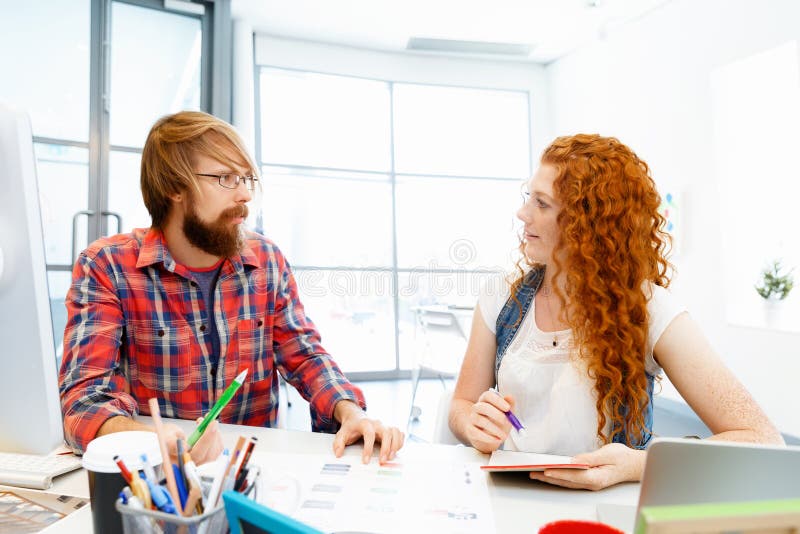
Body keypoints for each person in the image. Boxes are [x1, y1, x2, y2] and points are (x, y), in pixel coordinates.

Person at [59, 111, 404, 465]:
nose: (244, 194)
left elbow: (305, 356)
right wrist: (152, 442)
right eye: (225, 177)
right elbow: (84, 400)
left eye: (246, 178)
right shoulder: (107, 265)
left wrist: (351, 413)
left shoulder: (266, 259)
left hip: (251, 471)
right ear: (173, 187)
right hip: (163, 477)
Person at [449, 133, 783, 490]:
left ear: (586, 225)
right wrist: (473, 424)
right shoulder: (501, 297)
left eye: (542, 204)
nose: (522, 213)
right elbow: (462, 404)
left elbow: (762, 440)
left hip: (606, 514)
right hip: (510, 504)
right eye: (528, 197)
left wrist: (638, 464)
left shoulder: (649, 309)